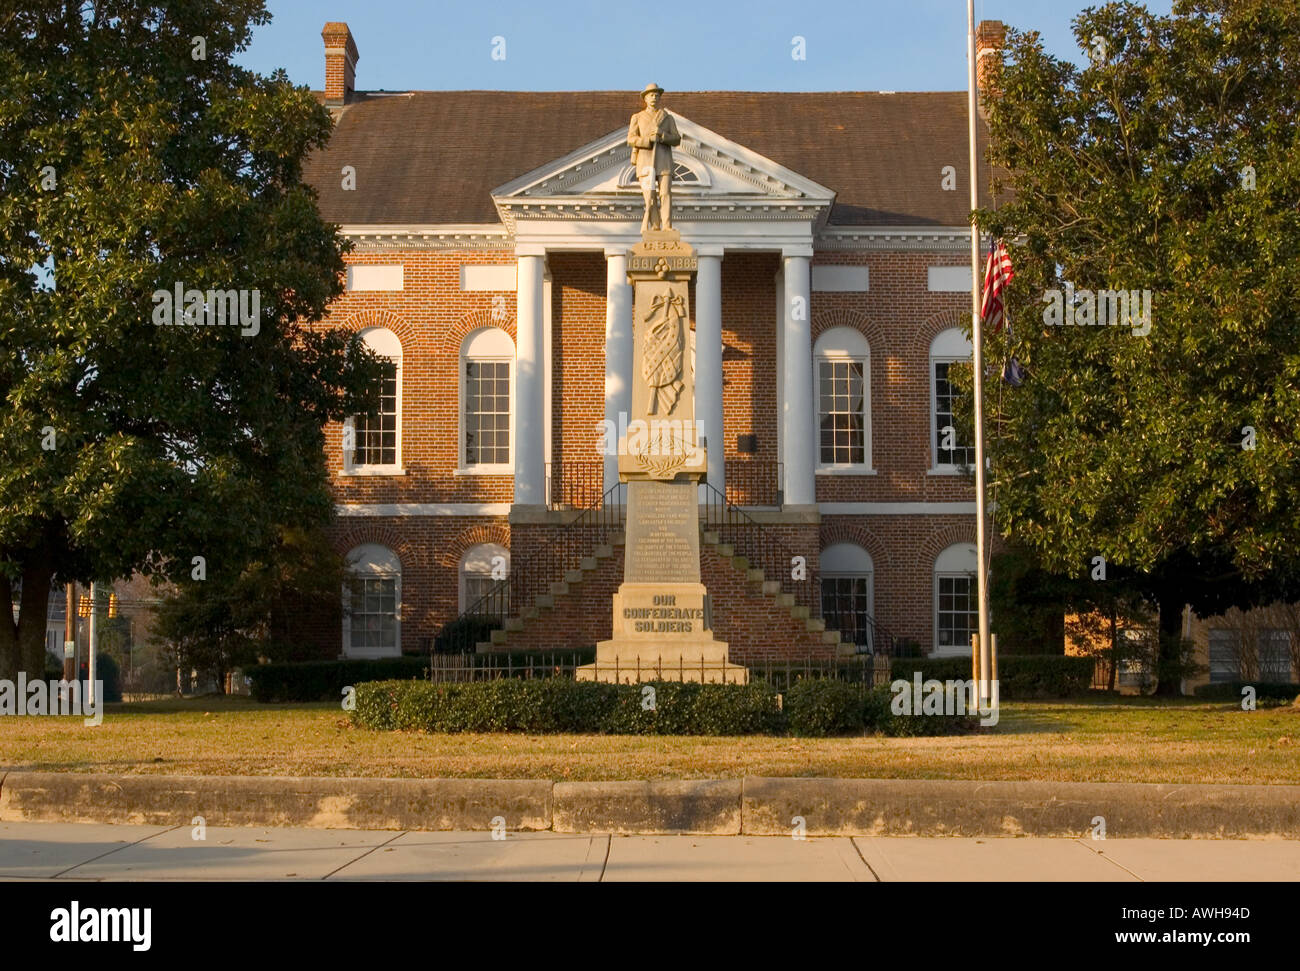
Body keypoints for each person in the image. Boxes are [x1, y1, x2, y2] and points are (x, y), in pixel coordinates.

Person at [627, 83, 681, 233]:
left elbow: (677, 139)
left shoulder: (667, 118)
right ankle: (655, 226)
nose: (654, 97)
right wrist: (647, 140)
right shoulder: (637, 117)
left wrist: (662, 136)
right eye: (651, 95)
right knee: (650, 197)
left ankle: (667, 226)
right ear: (645, 98)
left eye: (657, 95)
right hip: (645, 161)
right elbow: (631, 139)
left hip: (663, 160)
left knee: (665, 194)